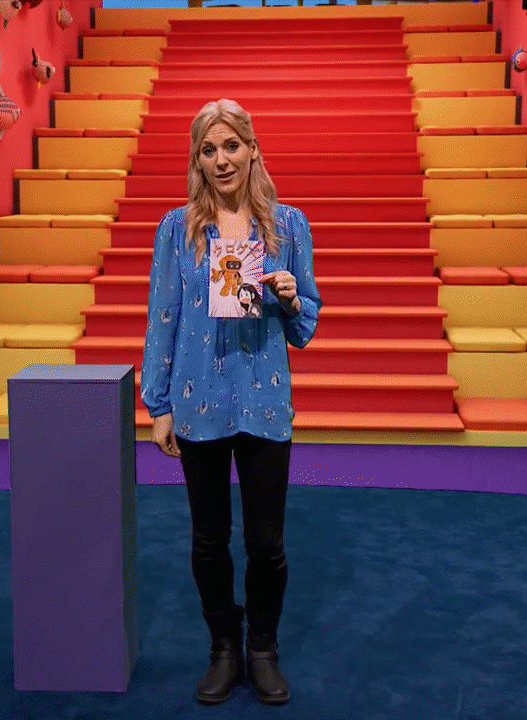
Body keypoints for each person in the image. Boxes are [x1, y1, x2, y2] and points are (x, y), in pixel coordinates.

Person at [140, 98, 321, 706]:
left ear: (252, 150)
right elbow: (162, 317)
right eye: (208, 150)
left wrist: (292, 298)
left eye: (231, 146)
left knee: (266, 542)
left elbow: (305, 327)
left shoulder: (289, 226)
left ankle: (262, 650)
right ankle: (223, 647)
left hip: (264, 403)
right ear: (198, 160)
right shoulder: (177, 229)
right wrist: (158, 404)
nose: (221, 160)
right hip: (198, 405)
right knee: (209, 538)